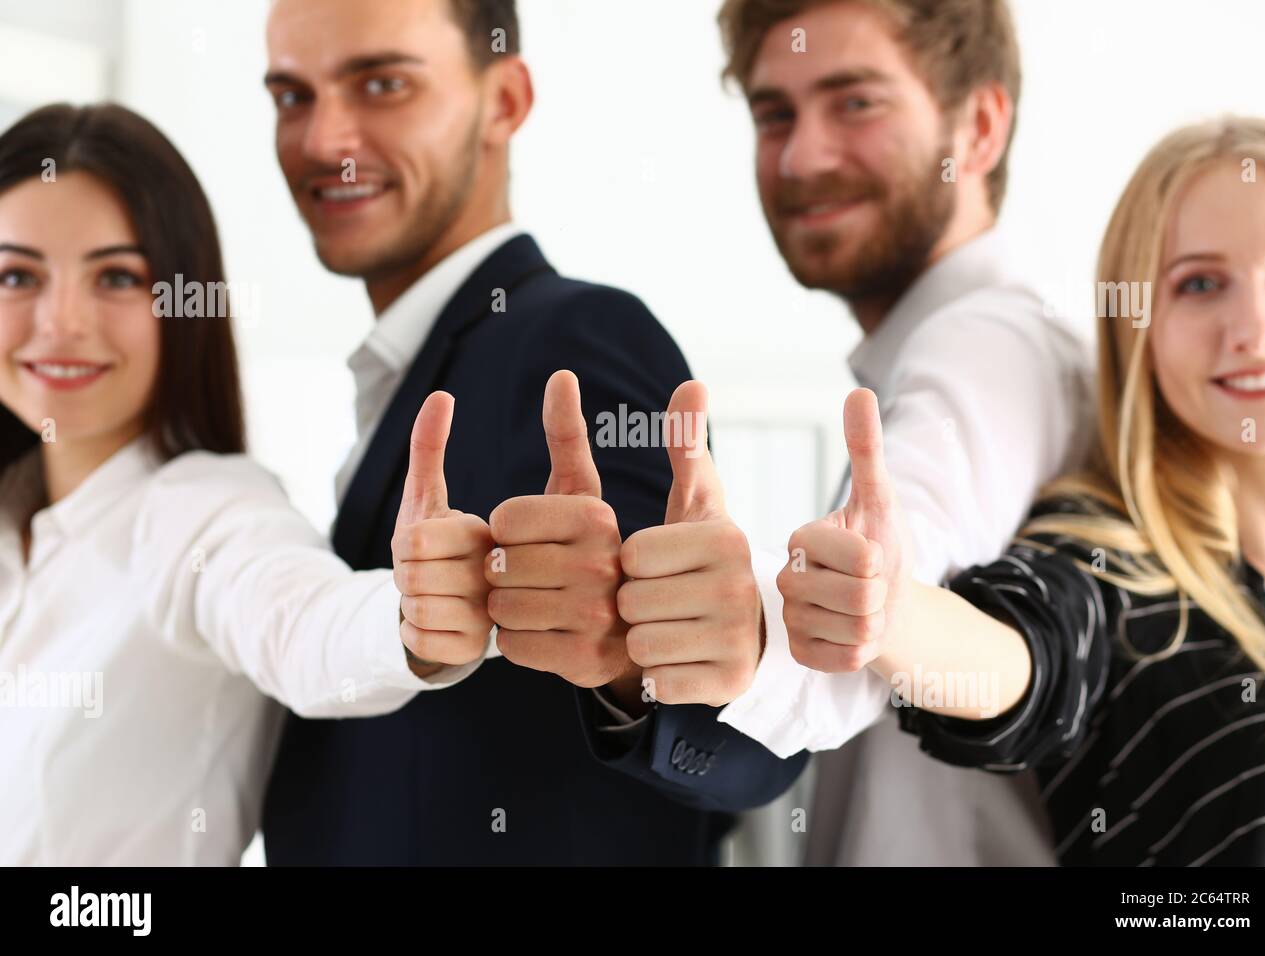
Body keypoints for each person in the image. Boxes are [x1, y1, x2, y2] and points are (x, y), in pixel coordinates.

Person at [258, 0, 807, 865]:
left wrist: (635, 666)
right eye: (292, 96)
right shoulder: (403, 373)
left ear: (506, 99)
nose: (326, 139)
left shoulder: (573, 340)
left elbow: (753, 745)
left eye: (383, 83)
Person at [611, 0, 1092, 864]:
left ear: (978, 127)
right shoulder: (952, 351)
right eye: (774, 114)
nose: (803, 156)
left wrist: (753, 630)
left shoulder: (986, 345)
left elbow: (902, 560)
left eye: (856, 102)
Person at [0, 103, 485, 865]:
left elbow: (302, 622)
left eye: (118, 277)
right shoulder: (13, 521)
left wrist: (411, 621)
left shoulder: (202, 512)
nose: (60, 322)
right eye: (17, 275)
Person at [865, 115, 1265, 866]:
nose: (1255, 328)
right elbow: (1018, 655)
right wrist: (886, 608)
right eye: (1199, 284)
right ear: (1139, 327)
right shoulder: (1110, 556)